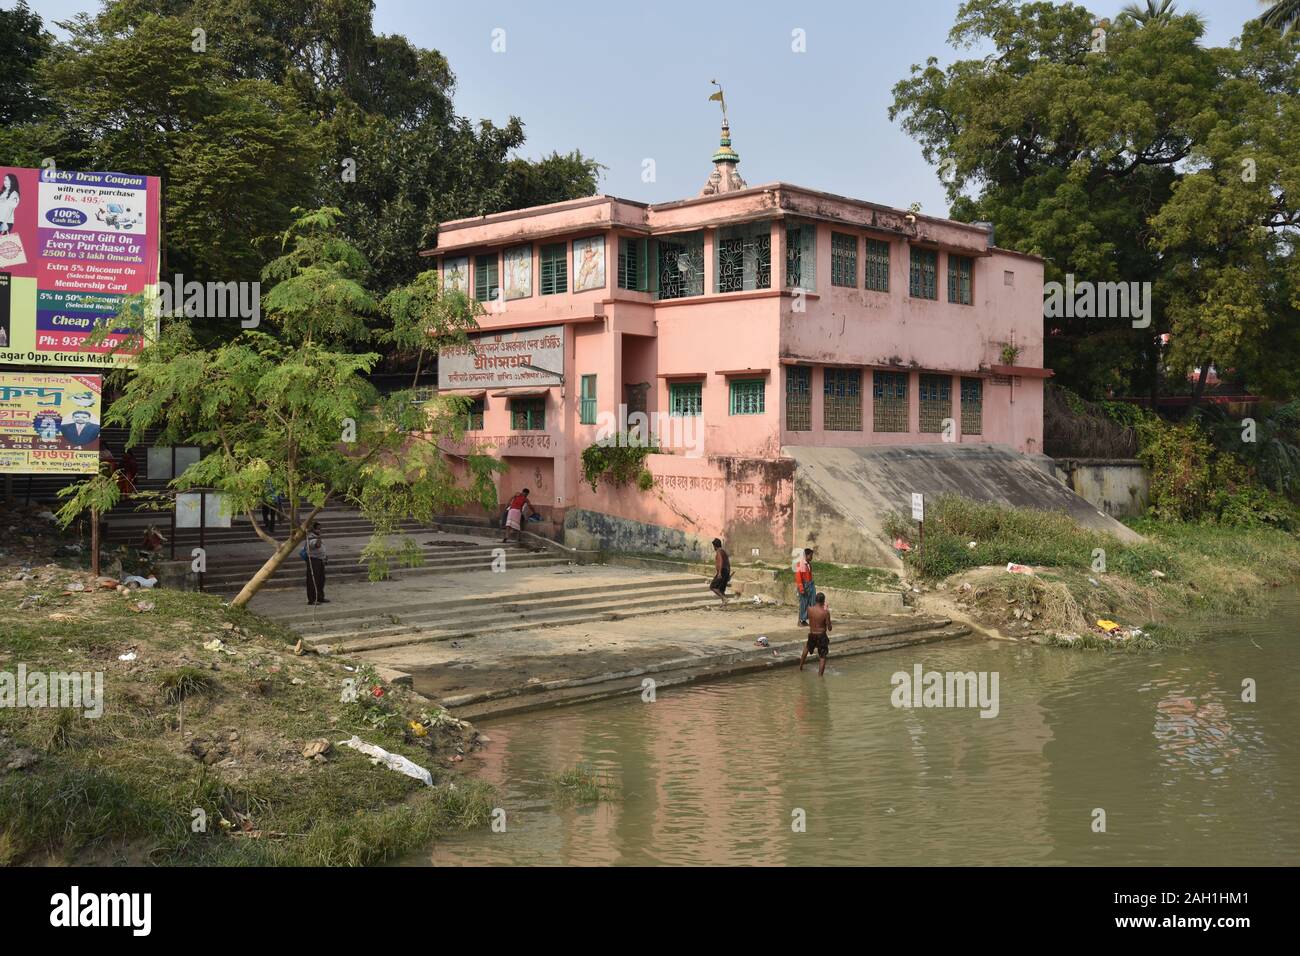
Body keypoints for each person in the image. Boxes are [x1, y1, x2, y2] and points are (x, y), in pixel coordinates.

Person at [800, 593, 832, 676]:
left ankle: (800, 667)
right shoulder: (825, 613)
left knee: (806, 648)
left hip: (812, 634)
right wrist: (826, 612)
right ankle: (820, 676)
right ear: (823, 601)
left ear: (815, 600)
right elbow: (829, 628)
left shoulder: (809, 609)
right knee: (822, 656)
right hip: (821, 635)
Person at [305, 521, 328, 605]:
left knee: (321, 580)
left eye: (320, 529)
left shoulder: (316, 536)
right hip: (313, 561)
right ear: (313, 529)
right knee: (313, 580)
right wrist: (319, 537)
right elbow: (317, 545)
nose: (320, 530)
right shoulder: (310, 538)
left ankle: (320, 597)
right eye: (318, 529)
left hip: (320, 560)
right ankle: (312, 599)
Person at [795, 548, 816, 625]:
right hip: (804, 585)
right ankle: (801, 620)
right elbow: (798, 576)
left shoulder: (809, 564)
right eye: (811, 555)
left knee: (812, 602)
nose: (812, 557)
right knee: (803, 603)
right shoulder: (800, 564)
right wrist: (801, 587)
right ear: (806, 555)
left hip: (810, 584)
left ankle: (808, 618)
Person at [709, 537, 731, 605]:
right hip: (726, 571)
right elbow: (728, 563)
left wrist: (719, 573)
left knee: (713, 586)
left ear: (715, 546)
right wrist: (728, 573)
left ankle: (724, 599)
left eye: (714, 546)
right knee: (721, 589)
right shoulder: (723, 551)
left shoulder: (719, 551)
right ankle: (724, 603)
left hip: (722, 571)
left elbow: (721, 561)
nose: (714, 548)